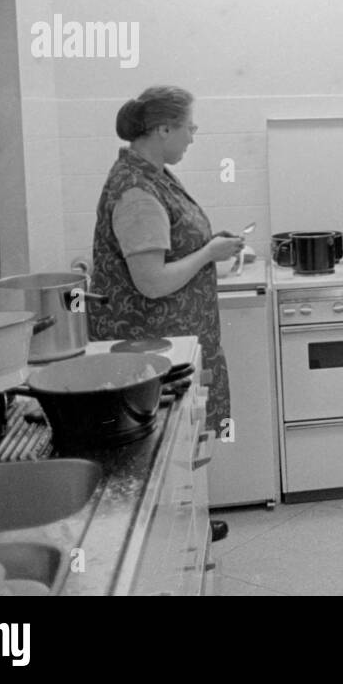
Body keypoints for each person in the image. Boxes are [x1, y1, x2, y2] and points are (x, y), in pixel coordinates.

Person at [87, 85, 243, 444]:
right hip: (153, 359)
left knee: (187, 463)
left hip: (170, 349)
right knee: (173, 462)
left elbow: (168, 243)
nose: (192, 137)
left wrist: (208, 244)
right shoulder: (137, 192)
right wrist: (207, 254)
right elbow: (152, 282)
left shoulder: (153, 174)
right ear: (164, 130)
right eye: (190, 127)